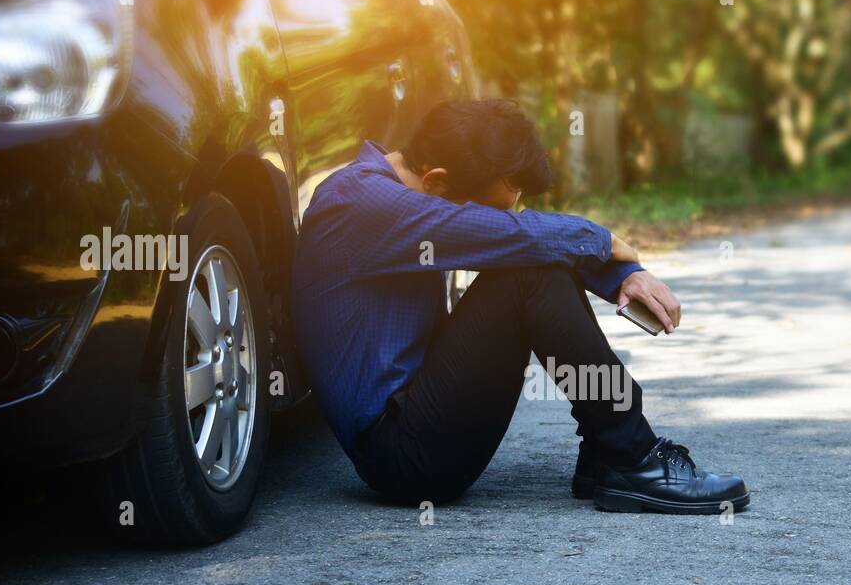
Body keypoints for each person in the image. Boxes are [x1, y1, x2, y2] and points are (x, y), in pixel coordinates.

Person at [291, 99, 749, 515]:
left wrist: (620, 274)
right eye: (496, 210)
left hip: (420, 412)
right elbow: (518, 238)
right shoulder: (360, 203)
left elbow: (523, 238)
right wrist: (605, 241)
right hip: (403, 456)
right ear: (437, 182)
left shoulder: (400, 194)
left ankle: (609, 450)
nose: (511, 216)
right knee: (529, 270)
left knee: (534, 261)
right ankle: (630, 455)